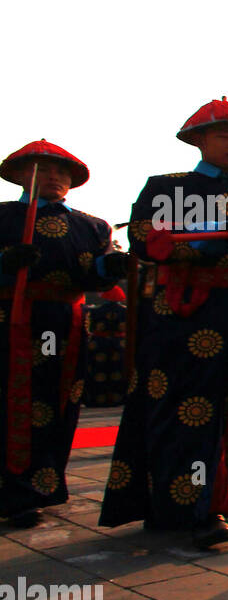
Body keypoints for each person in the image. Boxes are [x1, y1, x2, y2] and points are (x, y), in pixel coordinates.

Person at [99, 102, 228, 548]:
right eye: (224, 136)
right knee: (183, 404)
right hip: (182, 312)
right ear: (198, 140)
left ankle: (222, 498)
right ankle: (186, 504)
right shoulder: (169, 187)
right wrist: (208, 241)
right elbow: (145, 238)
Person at [1, 140, 126, 527]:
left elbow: (93, 276)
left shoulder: (92, 226)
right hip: (13, 318)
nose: (55, 177)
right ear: (22, 174)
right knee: (13, 400)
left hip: (67, 324)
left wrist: (112, 268)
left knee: (60, 401)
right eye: (43, 169)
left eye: (62, 172)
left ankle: (44, 485)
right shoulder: (3, 217)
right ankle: (14, 492)